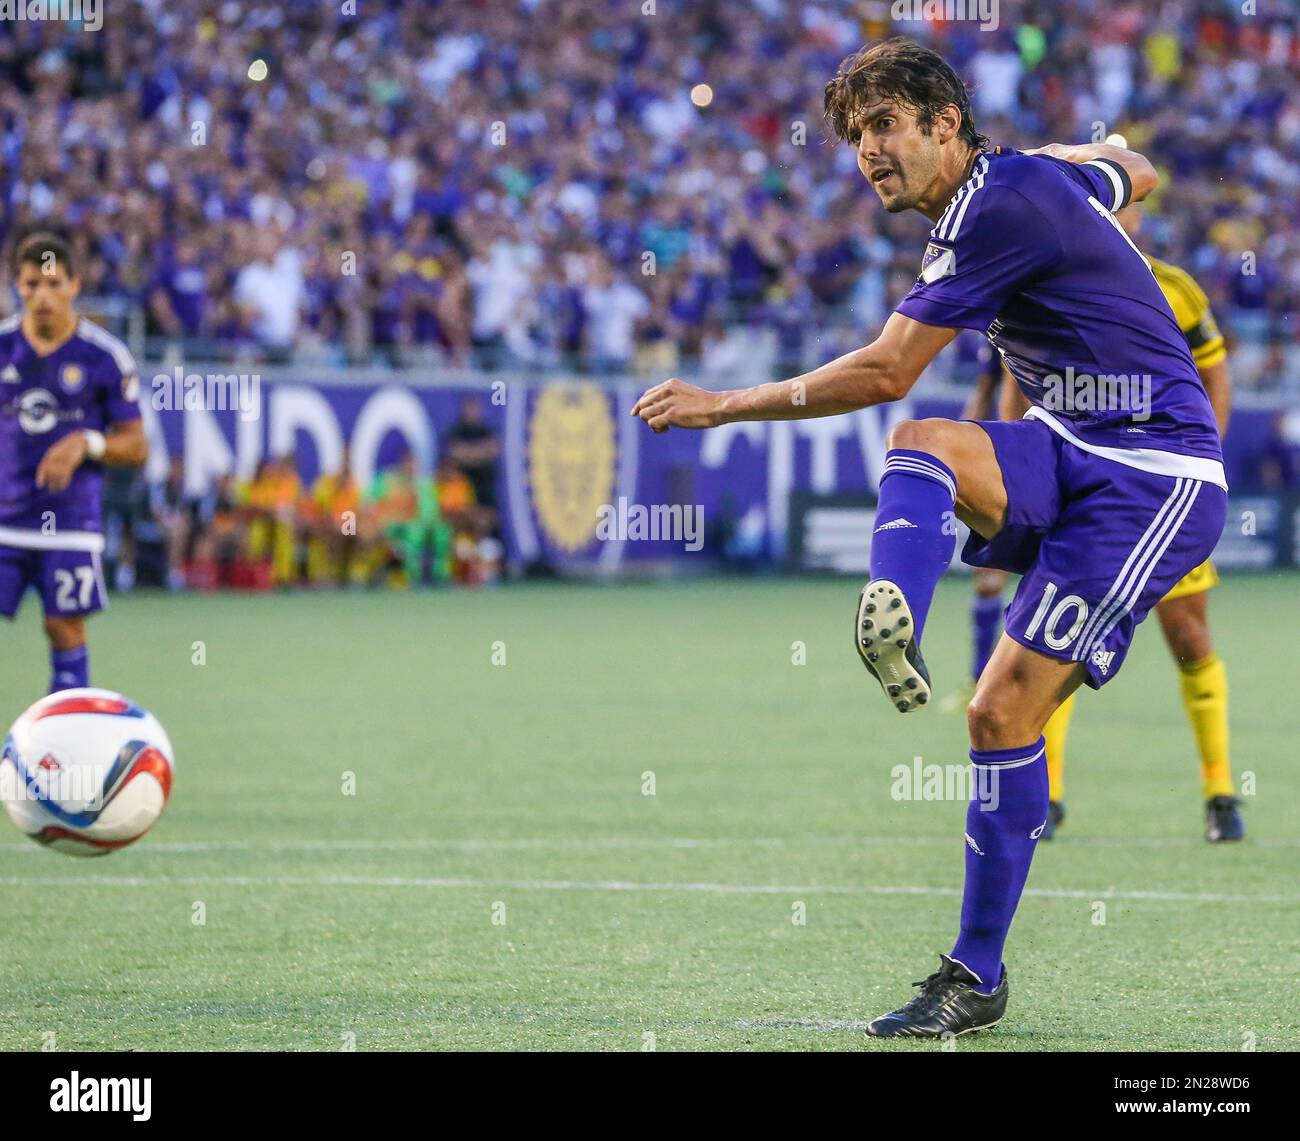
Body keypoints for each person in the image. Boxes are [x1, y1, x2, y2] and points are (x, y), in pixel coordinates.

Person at [631, 39, 1227, 1038]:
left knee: (998, 711)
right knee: (925, 447)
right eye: (855, 137)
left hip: (1152, 476)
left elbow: (884, 370)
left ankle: (975, 973)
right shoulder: (1016, 187)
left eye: (882, 126)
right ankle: (895, 611)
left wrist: (723, 403)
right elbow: (1141, 167)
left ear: (945, 124)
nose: (867, 152)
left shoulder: (992, 209)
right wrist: (1076, 158)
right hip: (1072, 443)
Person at [998, 204, 1241, 843]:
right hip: (1083, 491)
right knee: (1053, 636)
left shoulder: (1175, 288)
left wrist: (1201, 459)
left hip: (1160, 488)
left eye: (1123, 204)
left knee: (1188, 636)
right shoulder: (1039, 280)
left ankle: (1220, 792)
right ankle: (1047, 795)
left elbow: (1216, 379)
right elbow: (1016, 386)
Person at [0, 232, 148, 693]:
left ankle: (66, 736)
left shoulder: (104, 356)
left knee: (63, 628)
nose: (42, 296)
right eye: (31, 285)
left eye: (53, 284)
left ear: (74, 285)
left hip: (68, 521)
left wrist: (87, 442)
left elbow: (136, 447)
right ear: (17, 287)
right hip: (3, 519)